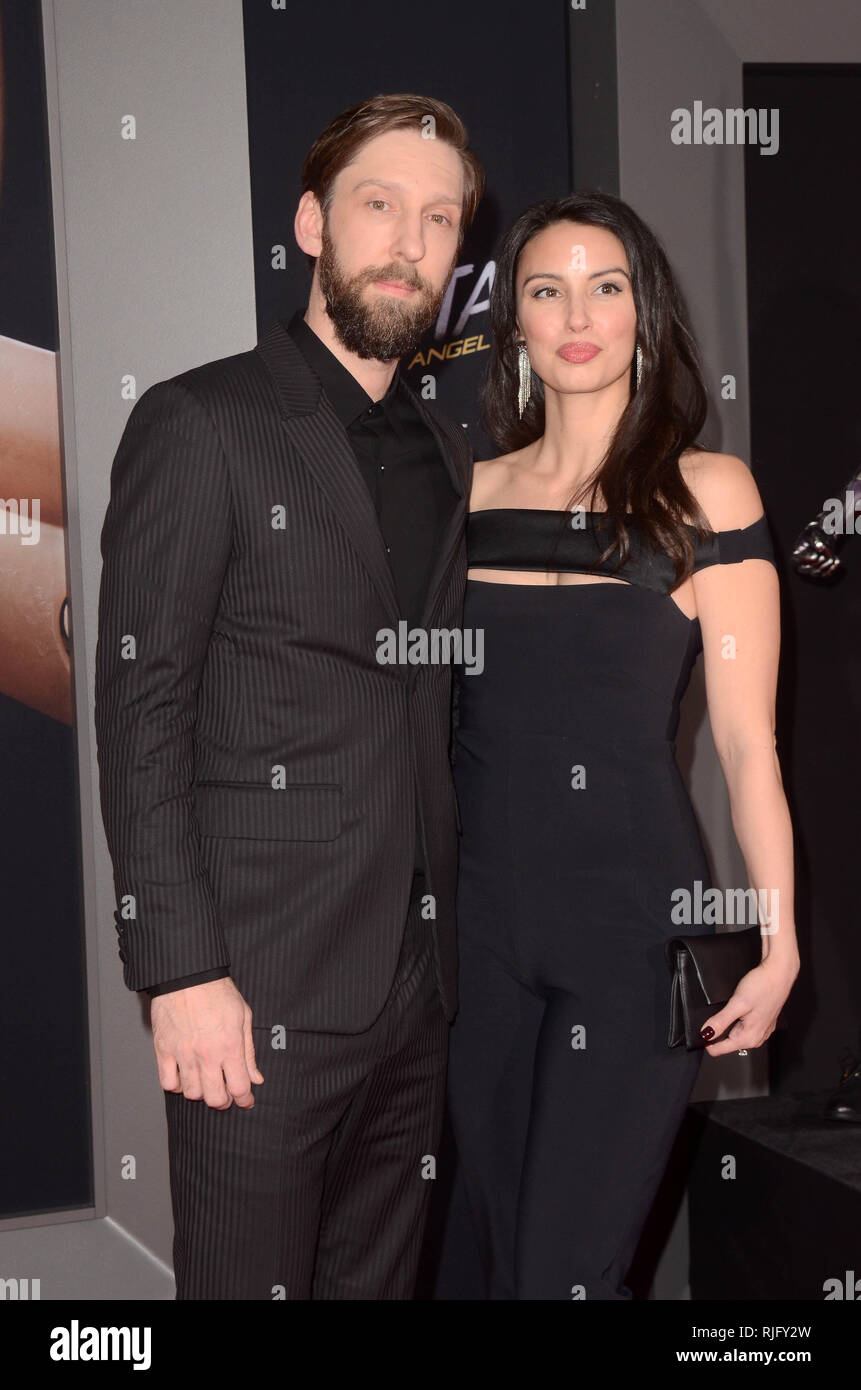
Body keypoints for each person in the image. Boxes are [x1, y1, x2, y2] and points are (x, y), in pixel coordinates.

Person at [94, 92, 484, 1299]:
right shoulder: (202, 421)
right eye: (379, 205)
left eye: (440, 219)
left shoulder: (447, 453)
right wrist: (180, 973)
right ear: (312, 222)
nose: (410, 242)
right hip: (250, 1000)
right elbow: (140, 706)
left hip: (417, 1003)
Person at [438, 191, 800, 1300]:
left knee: (565, 1276)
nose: (577, 314)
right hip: (477, 940)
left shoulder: (709, 492)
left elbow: (747, 746)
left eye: (607, 286)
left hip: (634, 939)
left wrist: (777, 942)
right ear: (517, 324)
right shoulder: (468, 491)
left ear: (645, 312)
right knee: (485, 1264)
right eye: (547, 289)